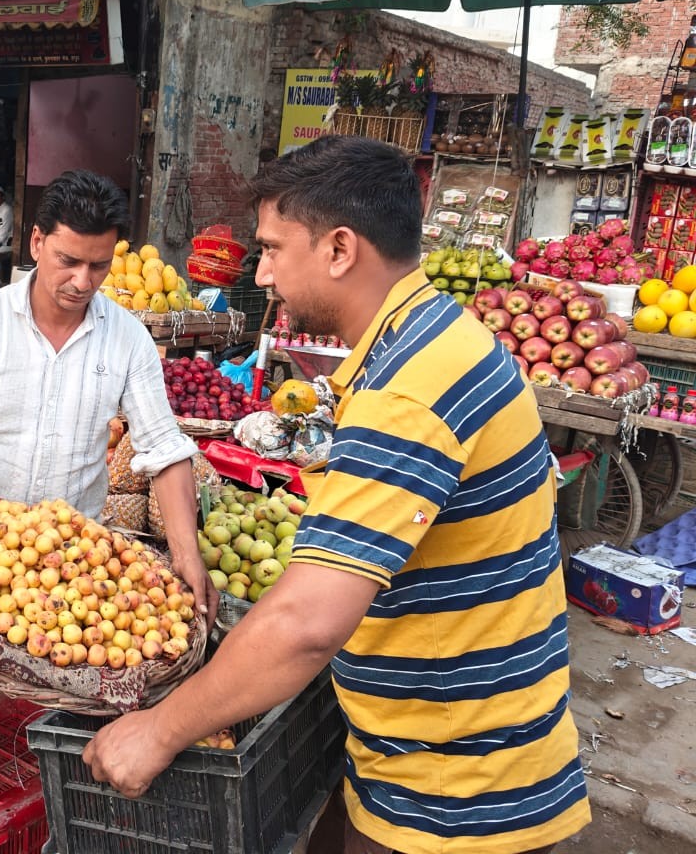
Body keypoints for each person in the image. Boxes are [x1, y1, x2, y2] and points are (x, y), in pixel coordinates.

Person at [83, 136, 591, 854]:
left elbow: (308, 623)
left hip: (454, 791)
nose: (261, 273)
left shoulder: (409, 389)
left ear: (340, 249)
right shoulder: (432, 333)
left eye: (271, 249)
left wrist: (158, 731)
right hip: (441, 748)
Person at [0, 168, 215, 729]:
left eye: (99, 265)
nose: (83, 281)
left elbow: (163, 448)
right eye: (68, 261)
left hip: (73, 571)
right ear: (36, 242)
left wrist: (185, 552)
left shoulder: (127, 338)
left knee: (60, 736)